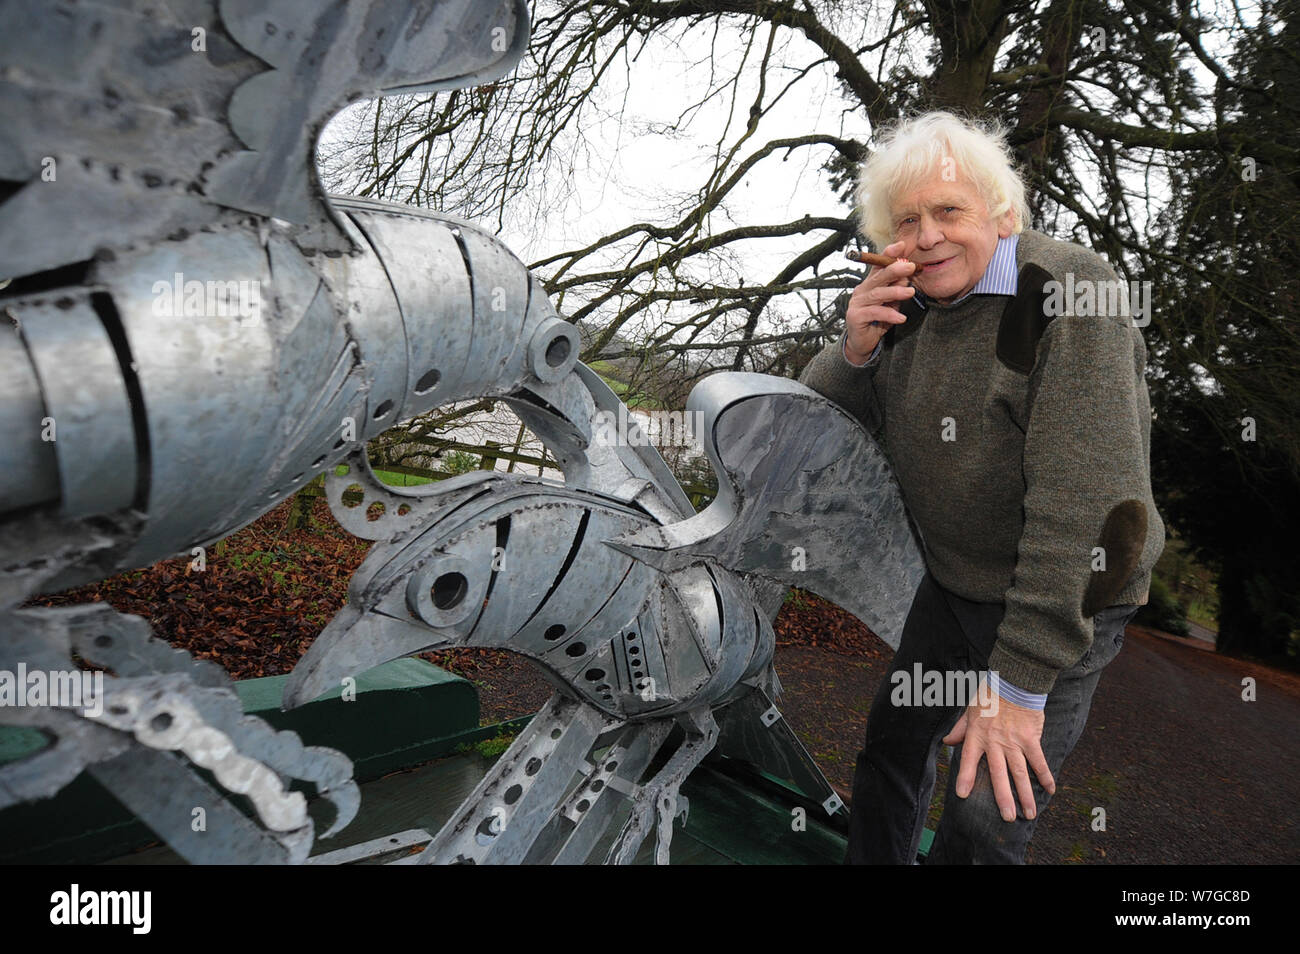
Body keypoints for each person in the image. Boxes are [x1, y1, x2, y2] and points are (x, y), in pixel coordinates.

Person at [798, 111, 1165, 864]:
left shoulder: (1068, 291)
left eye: (949, 210)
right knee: (890, 757)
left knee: (981, 818)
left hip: (1067, 597)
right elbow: (817, 438)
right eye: (908, 220)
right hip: (955, 588)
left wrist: (1020, 685)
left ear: (1002, 213)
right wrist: (852, 352)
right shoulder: (906, 308)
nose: (927, 235)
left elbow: (1090, 508)